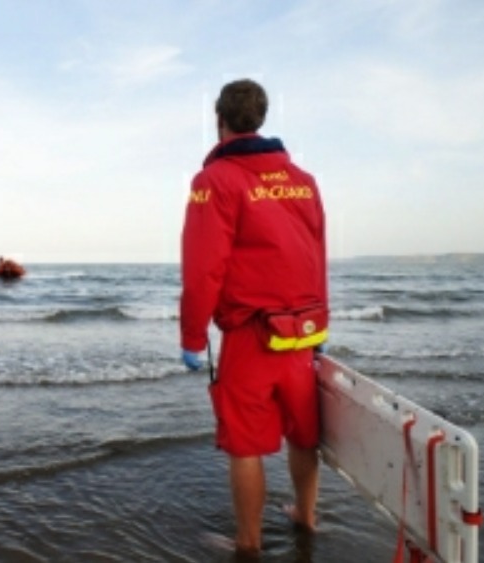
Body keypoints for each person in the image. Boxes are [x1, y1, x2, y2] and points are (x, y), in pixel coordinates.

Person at [179, 79, 328, 556]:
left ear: (219, 121)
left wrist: (191, 333)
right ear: (260, 120)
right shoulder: (303, 180)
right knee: (303, 433)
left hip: (251, 335)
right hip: (303, 331)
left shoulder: (214, 181)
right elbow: (316, 253)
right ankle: (305, 516)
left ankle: (248, 543)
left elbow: (204, 268)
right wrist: (319, 325)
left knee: (246, 445)